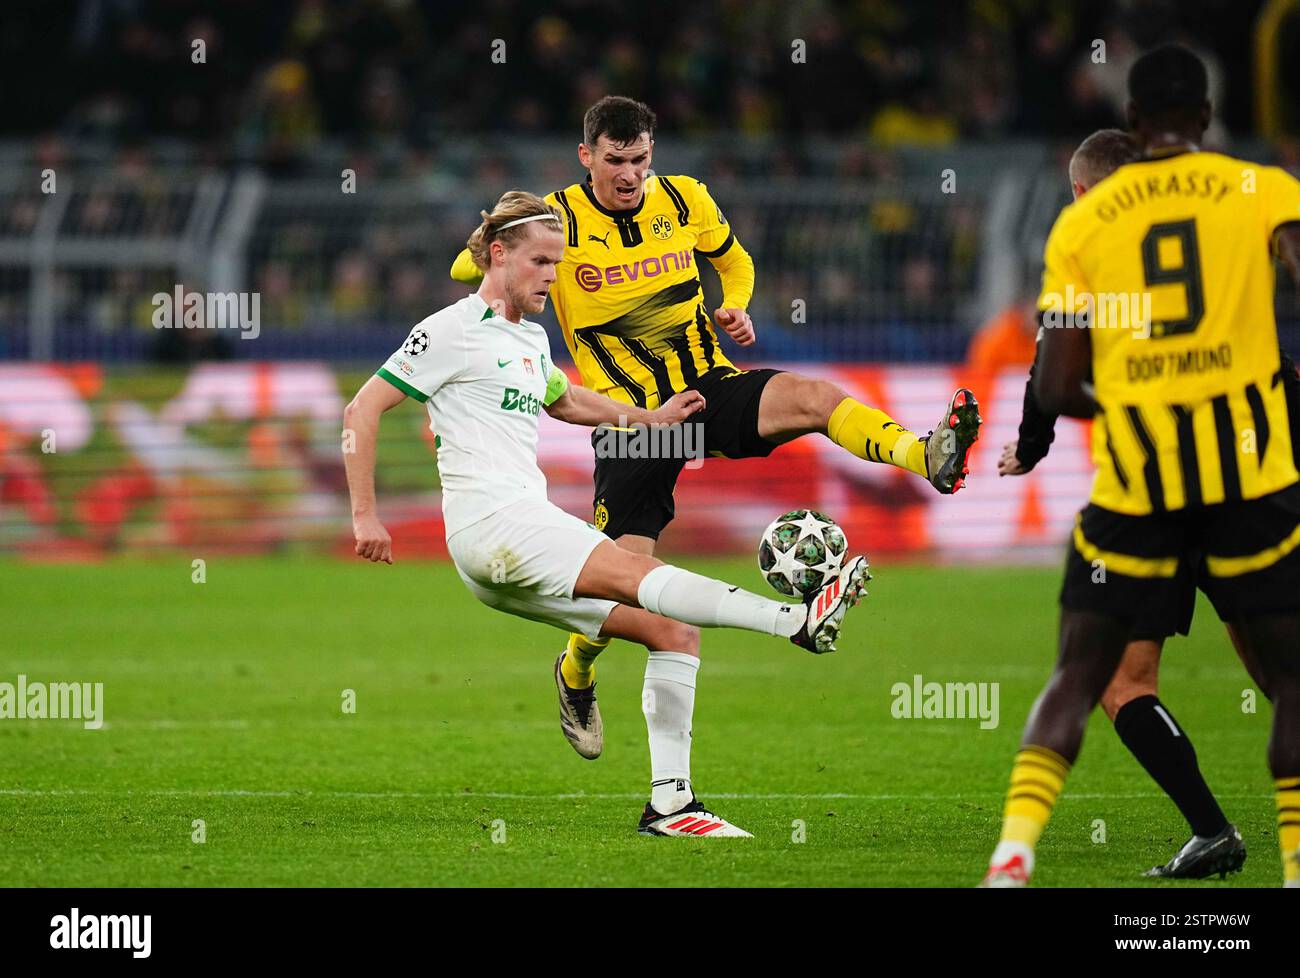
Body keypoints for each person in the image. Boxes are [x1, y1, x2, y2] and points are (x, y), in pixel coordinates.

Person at [451, 96, 979, 763]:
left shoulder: (686, 199)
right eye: (614, 161)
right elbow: (472, 266)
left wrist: (736, 303)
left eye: (639, 159)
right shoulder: (556, 220)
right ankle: (575, 671)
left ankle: (923, 454)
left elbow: (734, 261)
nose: (629, 174)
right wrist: (493, 236)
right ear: (586, 157)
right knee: (628, 580)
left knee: (813, 396)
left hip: (708, 386)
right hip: (633, 419)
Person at [344, 191, 870, 838]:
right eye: (540, 261)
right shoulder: (448, 330)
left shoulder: (530, 339)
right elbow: (361, 410)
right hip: (494, 524)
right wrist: (366, 515)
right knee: (634, 571)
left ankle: (672, 807)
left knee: (671, 634)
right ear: (499, 255)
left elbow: (566, 403)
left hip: (504, 546)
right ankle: (794, 621)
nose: (551, 276)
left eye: (558, 263)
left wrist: (651, 419)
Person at [982, 46, 1300, 887]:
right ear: (1204, 117)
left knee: (1109, 680)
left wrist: (1058, 430)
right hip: (1249, 480)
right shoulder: (1254, 192)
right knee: (1282, 675)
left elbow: (1053, 376)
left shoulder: (1088, 229)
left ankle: (1017, 860)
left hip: (1142, 493)